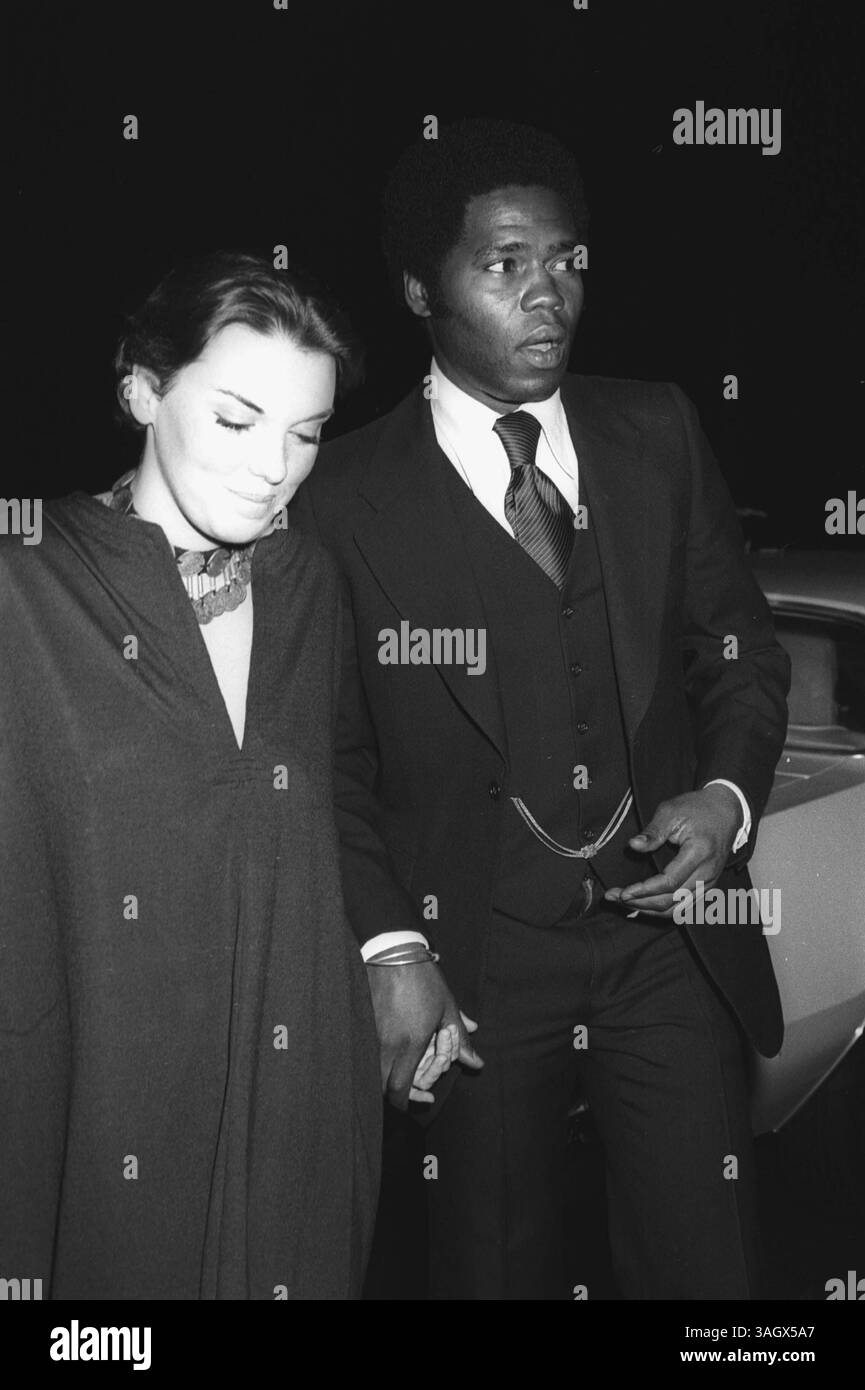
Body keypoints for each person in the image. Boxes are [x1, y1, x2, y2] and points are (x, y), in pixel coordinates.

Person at [291, 120, 791, 1300]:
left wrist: (725, 801)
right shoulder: (338, 496)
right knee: (490, 1270)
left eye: (566, 259)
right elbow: (328, 760)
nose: (547, 294)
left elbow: (740, 649)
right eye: (504, 264)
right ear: (422, 287)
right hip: (476, 961)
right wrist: (388, 945)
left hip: (667, 946)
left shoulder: (654, 429)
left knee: (712, 1275)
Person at [0, 251, 381, 1299]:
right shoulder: (25, 584)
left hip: (295, 1095)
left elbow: (334, 804)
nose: (276, 465)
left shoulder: (308, 588)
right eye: (236, 418)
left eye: (307, 434)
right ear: (141, 390)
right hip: (101, 1105)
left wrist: (393, 958)